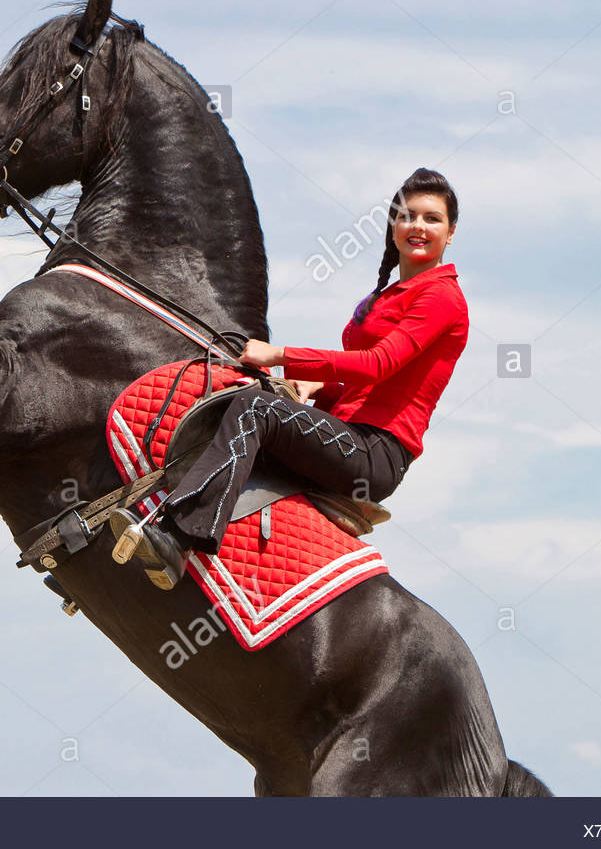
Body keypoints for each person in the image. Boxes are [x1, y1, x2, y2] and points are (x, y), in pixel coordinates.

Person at [110, 167, 469, 590]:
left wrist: (280, 355)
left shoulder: (442, 296)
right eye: (407, 216)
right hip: (346, 434)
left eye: (432, 218)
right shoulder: (384, 297)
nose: (418, 226)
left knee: (255, 409)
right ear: (394, 226)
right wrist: (319, 386)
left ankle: (176, 538)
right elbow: (366, 381)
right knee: (237, 398)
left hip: (374, 452)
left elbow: (377, 364)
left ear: (451, 233)